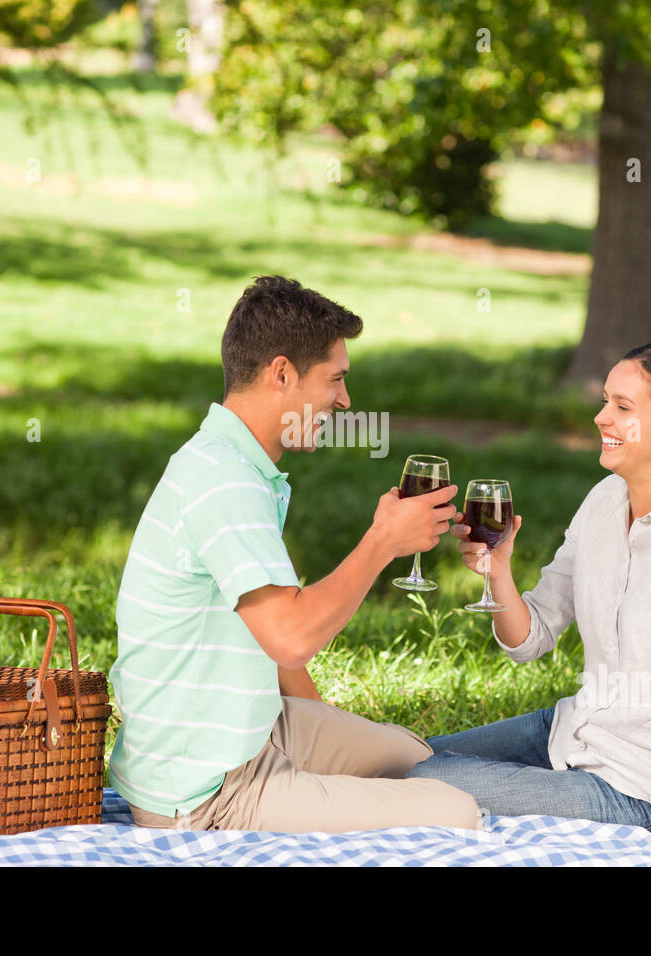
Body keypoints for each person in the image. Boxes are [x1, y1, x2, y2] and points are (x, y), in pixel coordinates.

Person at [107, 274, 481, 833]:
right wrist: (382, 542)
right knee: (456, 812)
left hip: (253, 730)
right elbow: (290, 635)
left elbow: (275, 646)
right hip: (204, 790)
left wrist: (322, 737)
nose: (346, 400)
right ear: (282, 374)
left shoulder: (234, 463)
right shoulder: (224, 481)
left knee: (416, 758)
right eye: (335, 379)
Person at [407, 342, 651, 864]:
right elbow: (532, 638)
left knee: (423, 779)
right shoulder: (604, 500)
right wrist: (498, 574)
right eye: (605, 400)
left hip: (640, 792)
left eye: (622, 407)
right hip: (571, 732)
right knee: (409, 754)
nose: (600, 417)